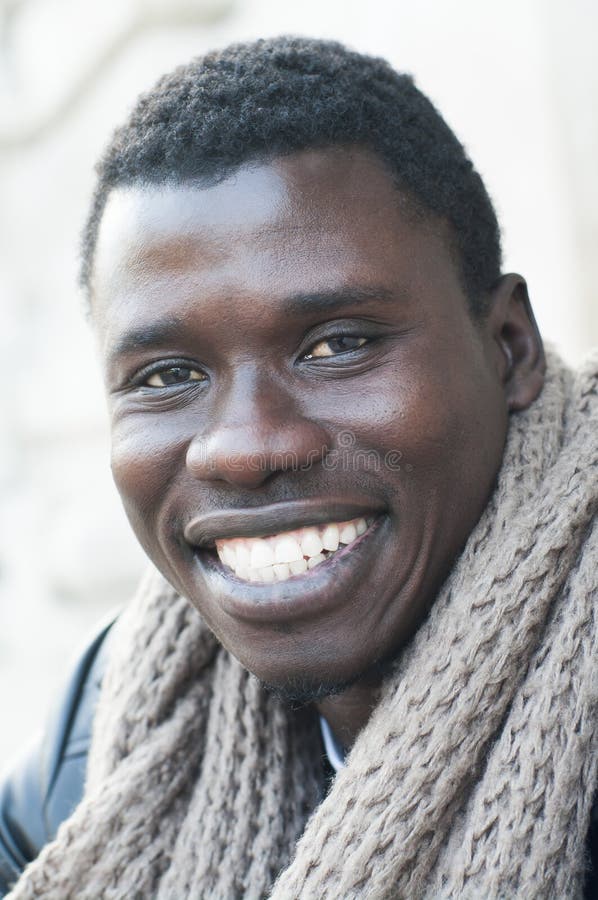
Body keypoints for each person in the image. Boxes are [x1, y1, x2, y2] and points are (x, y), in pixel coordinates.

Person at [1, 36, 596, 899]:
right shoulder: (115, 727)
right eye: (168, 377)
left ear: (508, 348)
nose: (243, 448)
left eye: (339, 345)